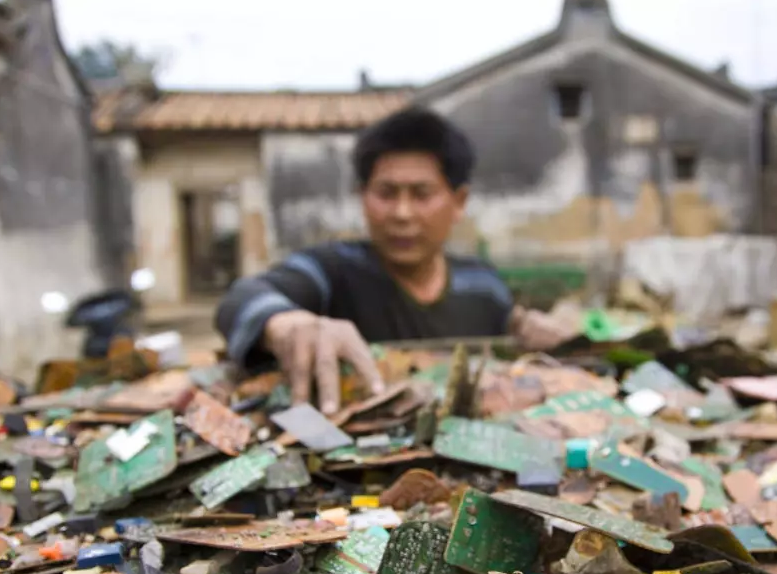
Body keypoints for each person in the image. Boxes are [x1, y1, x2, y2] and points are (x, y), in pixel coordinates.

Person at [215, 106, 574, 414]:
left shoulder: (483, 284)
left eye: (422, 194)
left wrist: (528, 325)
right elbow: (244, 298)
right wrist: (287, 324)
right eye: (386, 193)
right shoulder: (332, 270)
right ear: (362, 196)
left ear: (459, 201)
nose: (402, 213)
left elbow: (508, 320)